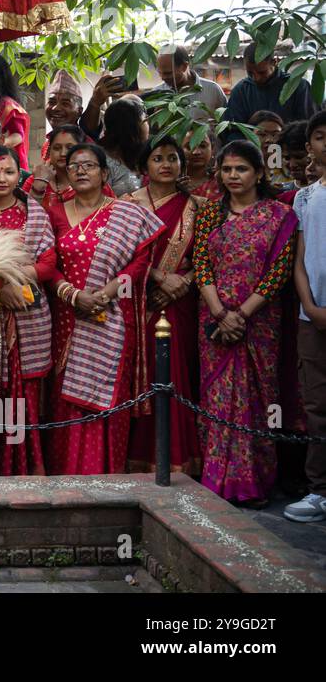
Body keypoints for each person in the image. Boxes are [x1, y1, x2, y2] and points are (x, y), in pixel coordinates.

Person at [46, 143, 163, 475]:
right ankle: (66, 481)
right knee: (65, 400)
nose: (81, 170)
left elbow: (141, 262)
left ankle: (105, 479)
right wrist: (72, 295)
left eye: (89, 165)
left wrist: (110, 291)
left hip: (111, 320)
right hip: (68, 319)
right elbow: (46, 264)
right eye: (74, 166)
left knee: (108, 398)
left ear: (104, 173)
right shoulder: (53, 214)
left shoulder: (127, 214)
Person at [193, 140, 297, 505]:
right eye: (227, 169)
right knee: (218, 397)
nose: (233, 176)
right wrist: (221, 312)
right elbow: (201, 265)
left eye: (241, 169)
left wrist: (242, 314)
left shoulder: (278, 216)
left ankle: (254, 482)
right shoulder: (210, 214)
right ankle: (216, 477)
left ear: (259, 173)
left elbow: (278, 272)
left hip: (259, 322)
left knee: (259, 397)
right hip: (214, 319)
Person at [0, 145, 55, 475]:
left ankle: (20, 468)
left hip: (24, 312)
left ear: (21, 175)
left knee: (18, 390)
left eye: (9, 172)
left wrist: (11, 280)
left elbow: (48, 264)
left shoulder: (33, 214)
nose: (1, 178)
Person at [124, 136, 203, 476]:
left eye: (173, 158)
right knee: (139, 377)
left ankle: (176, 459)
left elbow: (208, 257)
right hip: (137, 300)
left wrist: (182, 283)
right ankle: (138, 458)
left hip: (180, 302)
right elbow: (121, 254)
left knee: (174, 375)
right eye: (158, 158)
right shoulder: (128, 204)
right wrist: (157, 277)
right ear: (145, 167)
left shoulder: (197, 205)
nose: (166, 164)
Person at [290, 110, 326, 522]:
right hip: (311, 315)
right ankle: (319, 490)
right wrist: (312, 307)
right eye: (319, 136)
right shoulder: (305, 197)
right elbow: (299, 261)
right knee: (317, 405)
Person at [225, 41, 317, 127]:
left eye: (262, 72)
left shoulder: (298, 87)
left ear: (274, 62)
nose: (256, 78)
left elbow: (308, 126)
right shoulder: (240, 91)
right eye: (250, 73)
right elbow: (233, 130)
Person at [24, 124, 85, 210]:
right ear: (49, 152)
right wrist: (39, 185)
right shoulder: (34, 180)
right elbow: (23, 216)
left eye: (70, 148)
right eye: (57, 148)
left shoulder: (92, 180)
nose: (63, 153)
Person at [156, 46, 227, 117]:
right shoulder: (156, 94)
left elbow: (225, 121)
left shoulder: (213, 90)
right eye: (160, 73)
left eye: (168, 73)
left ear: (184, 66)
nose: (163, 78)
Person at [100, 95, 149, 196]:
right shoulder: (103, 163)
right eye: (145, 120)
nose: (148, 124)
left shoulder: (148, 154)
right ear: (131, 127)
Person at [249, 110, 293, 191]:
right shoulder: (243, 168)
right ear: (249, 137)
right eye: (262, 134)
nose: (269, 140)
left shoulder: (292, 166)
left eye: (275, 134)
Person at [183, 125, 220, 201]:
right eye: (190, 146)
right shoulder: (172, 183)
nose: (196, 152)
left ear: (212, 148)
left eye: (202, 146)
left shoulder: (221, 181)